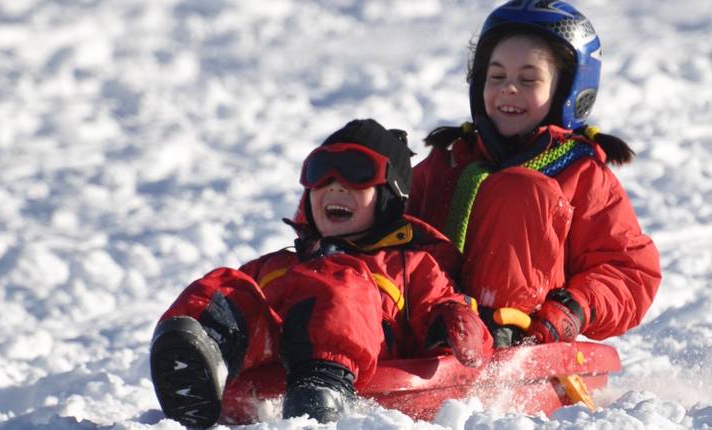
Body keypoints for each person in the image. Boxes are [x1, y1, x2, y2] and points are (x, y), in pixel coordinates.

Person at [149, 119, 492, 427]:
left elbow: (446, 301)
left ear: (391, 194)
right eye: (320, 173)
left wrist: (456, 319)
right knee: (228, 285)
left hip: (359, 375)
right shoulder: (279, 265)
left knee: (342, 278)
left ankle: (322, 379)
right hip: (272, 372)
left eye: (357, 173)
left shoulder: (411, 265)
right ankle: (195, 363)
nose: (335, 186)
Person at [408, 1, 662, 347]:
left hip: (521, 333)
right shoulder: (451, 162)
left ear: (566, 92)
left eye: (528, 79)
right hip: (431, 326)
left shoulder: (581, 174)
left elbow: (629, 271)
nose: (509, 89)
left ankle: (500, 334)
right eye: (496, 77)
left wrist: (576, 307)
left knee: (519, 189)